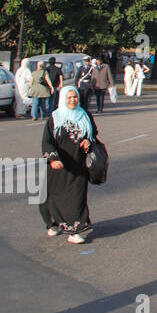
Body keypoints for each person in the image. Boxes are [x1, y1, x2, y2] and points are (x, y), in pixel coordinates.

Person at [39, 85, 97, 243]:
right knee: (53, 198)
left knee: (77, 198)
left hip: (78, 165)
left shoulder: (85, 115)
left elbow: (93, 135)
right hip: (59, 166)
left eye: (75, 97)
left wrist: (88, 142)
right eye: (69, 98)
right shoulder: (55, 117)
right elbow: (47, 141)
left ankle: (74, 231)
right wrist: (53, 158)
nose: (73, 100)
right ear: (63, 99)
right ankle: (53, 224)